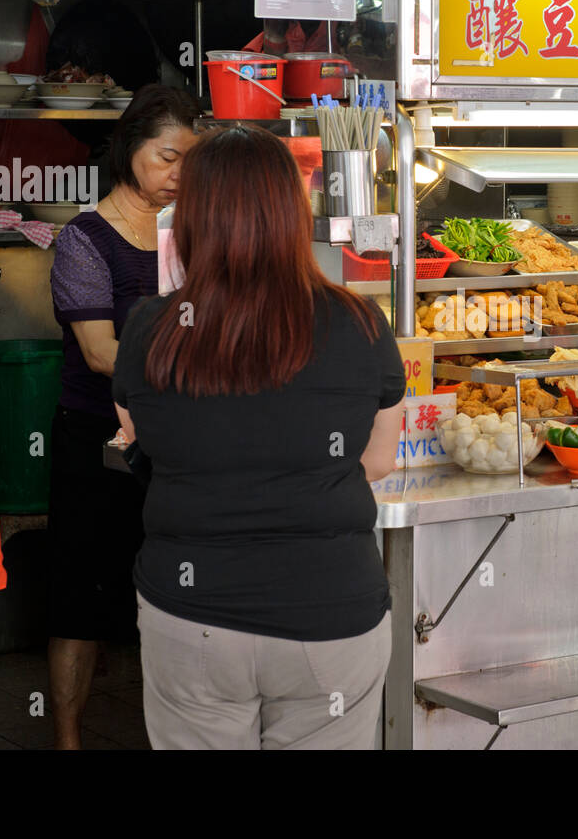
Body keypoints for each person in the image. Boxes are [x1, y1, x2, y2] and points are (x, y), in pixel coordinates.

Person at [111, 126, 405, 750]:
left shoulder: (153, 327)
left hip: (193, 624)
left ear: (193, 219)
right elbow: (377, 461)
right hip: (330, 618)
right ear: (292, 216)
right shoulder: (359, 322)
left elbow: (135, 443)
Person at [46, 85, 201, 749]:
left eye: (191, 163)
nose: (179, 176)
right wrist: (194, 365)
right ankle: (69, 738)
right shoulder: (84, 240)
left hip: (174, 441)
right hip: (95, 438)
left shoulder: (187, 233)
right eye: (169, 158)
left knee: (170, 593)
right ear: (131, 146)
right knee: (81, 597)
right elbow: (100, 350)